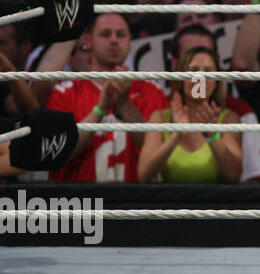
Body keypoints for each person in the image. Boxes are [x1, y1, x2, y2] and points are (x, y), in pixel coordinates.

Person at [42, 13, 168, 182]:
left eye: (121, 35)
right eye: (105, 34)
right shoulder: (64, 93)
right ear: (88, 40)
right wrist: (99, 109)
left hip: (137, 203)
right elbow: (57, 152)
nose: (114, 40)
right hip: (78, 203)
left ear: (130, 40)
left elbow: (160, 155)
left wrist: (124, 104)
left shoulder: (152, 90)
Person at [138, 46, 243, 183]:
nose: (200, 78)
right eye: (193, 71)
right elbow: (144, 174)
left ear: (217, 82)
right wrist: (176, 136)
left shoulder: (229, 119)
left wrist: (212, 136)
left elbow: (234, 175)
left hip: (214, 203)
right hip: (171, 203)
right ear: (181, 79)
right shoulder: (160, 118)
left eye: (208, 71)